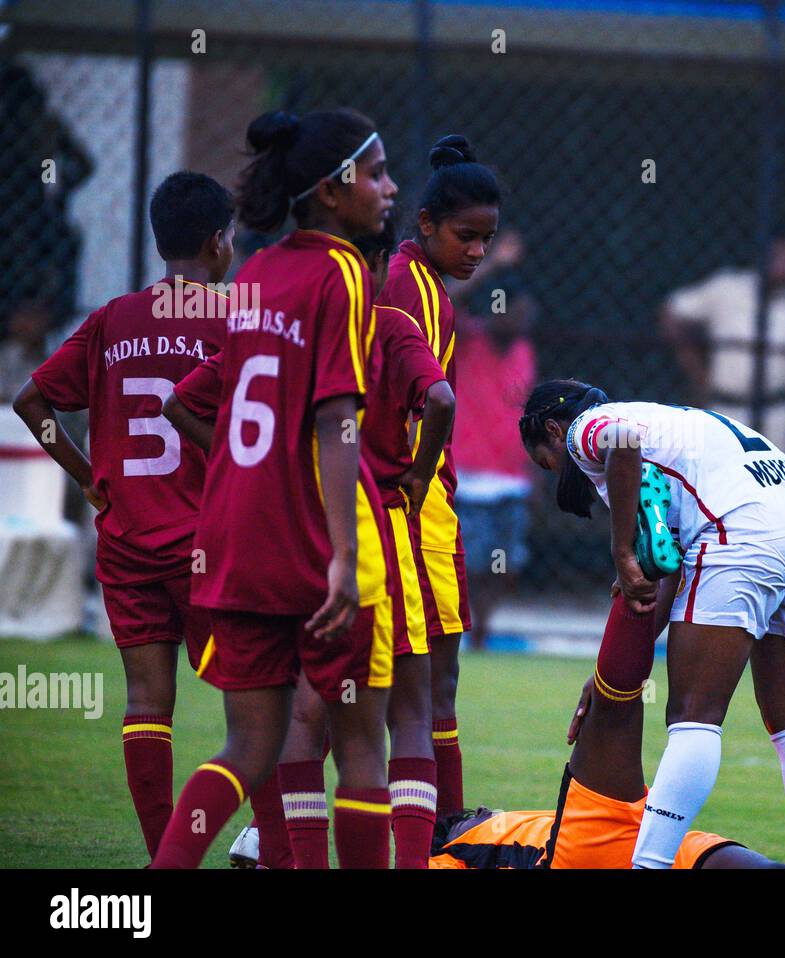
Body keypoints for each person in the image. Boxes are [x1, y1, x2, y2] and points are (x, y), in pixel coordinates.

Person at [149, 109, 399, 869]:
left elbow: (211, 403)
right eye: (377, 172)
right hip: (310, 546)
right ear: (330, 189)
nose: (389, 189)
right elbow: (336, 422)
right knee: (360, 743)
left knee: (247, 746)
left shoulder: (254, 272)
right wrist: (345, 559)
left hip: (233, 545)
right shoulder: (344, 273)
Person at [519, 379, 785, 869]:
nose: (558, 472)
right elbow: (669, 572)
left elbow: (621, 442)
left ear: (553, 429)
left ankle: (648, 864)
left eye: (547, 461)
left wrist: (620, 550)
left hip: (743, 528)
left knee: (692, 715)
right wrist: (610, 676)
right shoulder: (667, 423)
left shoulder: (586, 427)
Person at [11, 171, 234, 861]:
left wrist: (89, 482)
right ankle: (273, 846)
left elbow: (31, 404)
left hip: (127, 539)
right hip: (208, 543)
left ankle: (162, 853)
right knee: (261, 704)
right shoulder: (232, 321)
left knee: (146, 701)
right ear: (219, 243)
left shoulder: (113, 319)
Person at [429, 590, 785, 869]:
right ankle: (638, 577)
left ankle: (641, 583)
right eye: (471, 815)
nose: (479, 809)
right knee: (611, 706)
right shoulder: (450, 854)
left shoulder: (484, 836)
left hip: (651, 837)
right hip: (582, 848)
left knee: (729, 858)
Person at [378, 135, 501, 823]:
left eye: (487, 239)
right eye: (466, 236)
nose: (477, 253)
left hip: (425, 505)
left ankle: (445, 822)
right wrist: (420, 481)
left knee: (429, 680)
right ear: (425, 224)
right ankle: (437, 831)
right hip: (410, 508)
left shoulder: (425, 284)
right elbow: (431, 400)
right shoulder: (408, 286)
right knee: (416, 686)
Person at [451, 231, 538, 648]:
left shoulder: (524, 351)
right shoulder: (468, 338)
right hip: (469, 478)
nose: (523, 320)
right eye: (516, 312)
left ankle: (482, 631)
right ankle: (461, 629)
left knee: (506, 566)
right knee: (468, 562)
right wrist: (495, 265)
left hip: (511, 479)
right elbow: (445, 300)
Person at [660, 233, 785, 455]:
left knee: (776, 480)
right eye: (778, 256)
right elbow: (674, 310)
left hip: (778, 412)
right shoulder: (727, 287)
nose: (784, 264)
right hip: (727, 407)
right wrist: (696, 370)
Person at [0, 299, 54, 402]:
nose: (30, 324)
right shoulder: (6, 355)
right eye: (24, 316)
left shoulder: (55, 352)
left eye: (36, 317)